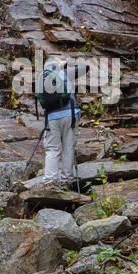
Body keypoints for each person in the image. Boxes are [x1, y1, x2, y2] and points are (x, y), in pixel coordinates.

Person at [38, 57, 79, 187]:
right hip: (69, 114)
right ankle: (66, 180)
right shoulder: (65, 73)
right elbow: (86, 68)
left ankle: (49, 181)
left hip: (51, 118)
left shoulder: (42, 76)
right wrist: (65, 64)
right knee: (68, 147)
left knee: (52, 149)